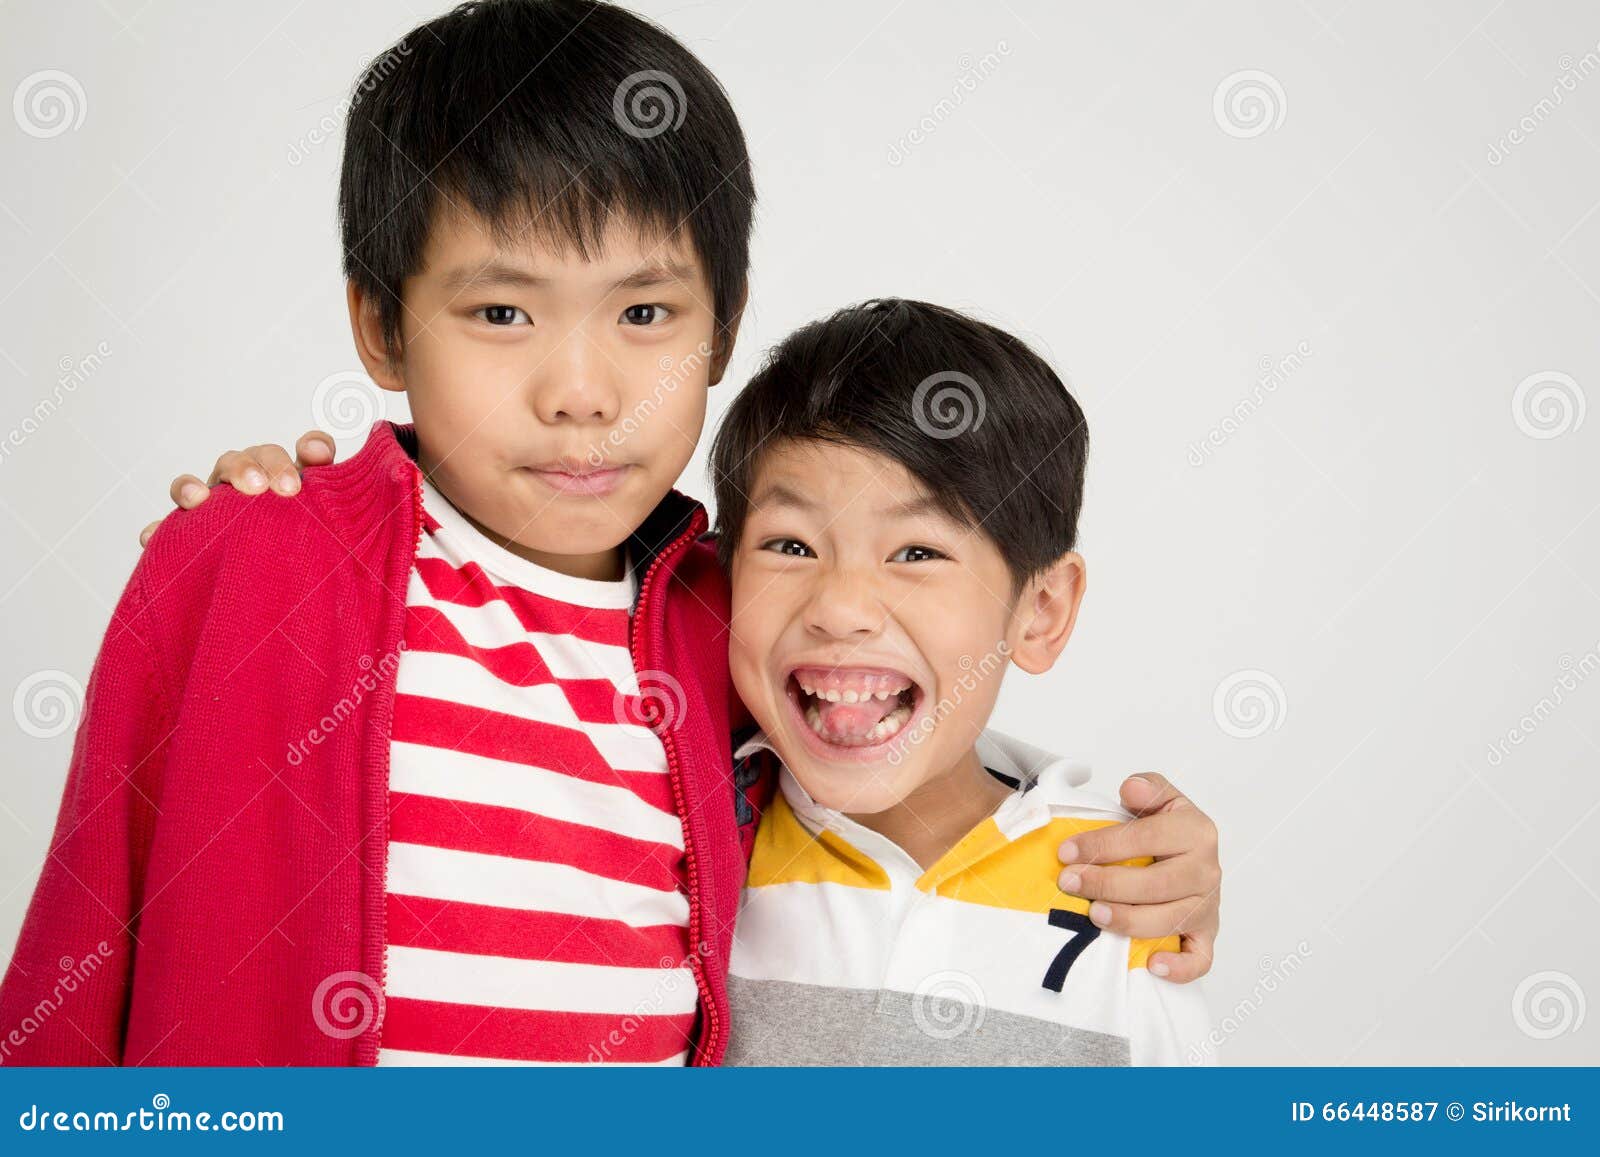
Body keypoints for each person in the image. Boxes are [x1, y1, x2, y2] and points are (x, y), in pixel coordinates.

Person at [0, 0, 1218, 1067]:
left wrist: (1132, 848)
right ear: (380, 327)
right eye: (499, 310)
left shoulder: (719, 612)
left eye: (644, 311)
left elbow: (886, 714)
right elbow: (75, 958)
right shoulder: (249, 563)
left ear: (724, 329)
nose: (580, 390)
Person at [710, 299, 1209, 1064]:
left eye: (916, 552)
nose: (840, 608)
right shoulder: (692, 836)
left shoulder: (1127, 894)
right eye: (790, 544)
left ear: (1039, 611)